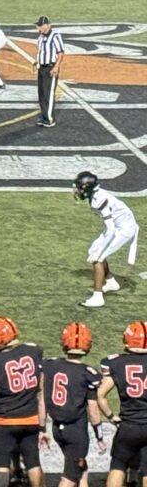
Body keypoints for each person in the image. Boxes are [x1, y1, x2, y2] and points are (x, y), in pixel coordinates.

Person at [0, 317, 46, 487]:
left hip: (4, 420)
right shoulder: (33, 351)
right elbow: (40, 385)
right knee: (33, 463)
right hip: (30, 418)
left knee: (1, 465)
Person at [42, 321, 104, 487]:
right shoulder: (88, 373)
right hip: (75, 431)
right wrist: (100, 436)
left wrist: (42, 428)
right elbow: (93, 411)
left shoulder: (49, 365)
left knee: (80, 467)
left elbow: (41, 398)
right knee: (69, 477)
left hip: (57, 428)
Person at [73, 171, 140, 308]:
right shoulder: (95, 196)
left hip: (123, 229)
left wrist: (100, 252)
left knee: (97, 258)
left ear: (87, 188)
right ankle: (111, 282)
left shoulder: (99, 200)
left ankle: (98, 297)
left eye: (80, 188)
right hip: (117, 226)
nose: (77, 191)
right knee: (93, 250)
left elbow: (111, 229)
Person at [96, 321, 147, 487]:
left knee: (118, 465)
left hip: (128, 425)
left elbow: (100, 395)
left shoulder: (115, 362)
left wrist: (111, 416)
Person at [35, 15, 64, 127]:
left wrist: (56, 67)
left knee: (49, 94)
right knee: (41, 94)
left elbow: (60, 52)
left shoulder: (55, 36)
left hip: (50, 68)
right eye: (38, 26)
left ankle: (50, 119)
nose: (39, 28)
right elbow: (40, 52)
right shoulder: (40, 37)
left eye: (41, 25)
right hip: (41, 68)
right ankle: (44, 117)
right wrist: (37, 62)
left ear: (48, 25)